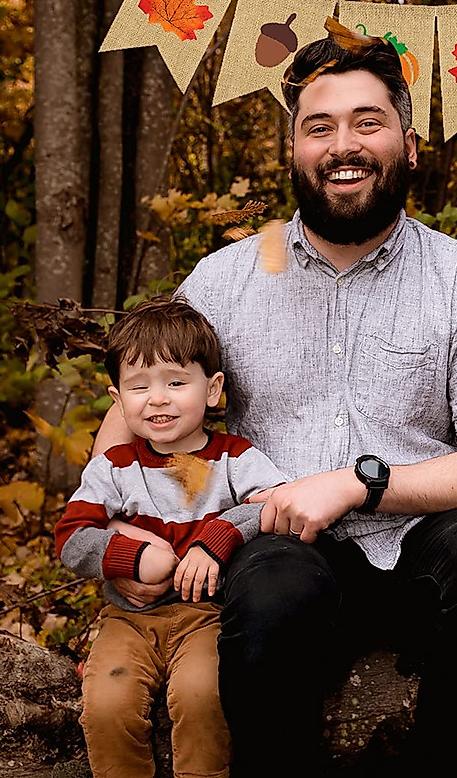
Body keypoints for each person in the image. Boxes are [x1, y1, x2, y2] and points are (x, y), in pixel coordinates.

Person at [91, 21, 457, 778]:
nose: (343, 146)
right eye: (318, 128)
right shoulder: (226, 280)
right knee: (270, 599)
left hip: (425, 534)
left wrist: (357, 482)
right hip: (281, 542)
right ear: (293, 150)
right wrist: (125, 542)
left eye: (369, 122)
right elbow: (130, 418)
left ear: (409, 142)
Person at [55, 296, 288, 778]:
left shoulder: (235, 458)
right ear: (118, 400)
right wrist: (130, 556)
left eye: (176, 383)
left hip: (208, 617)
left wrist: (215, 538)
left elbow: (273, 504)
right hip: (128, 619)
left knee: (204, 697)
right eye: (138, 387)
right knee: (106, 704)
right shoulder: (113, 468)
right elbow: (72, 538)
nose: (157, 398)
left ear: (213, 389)